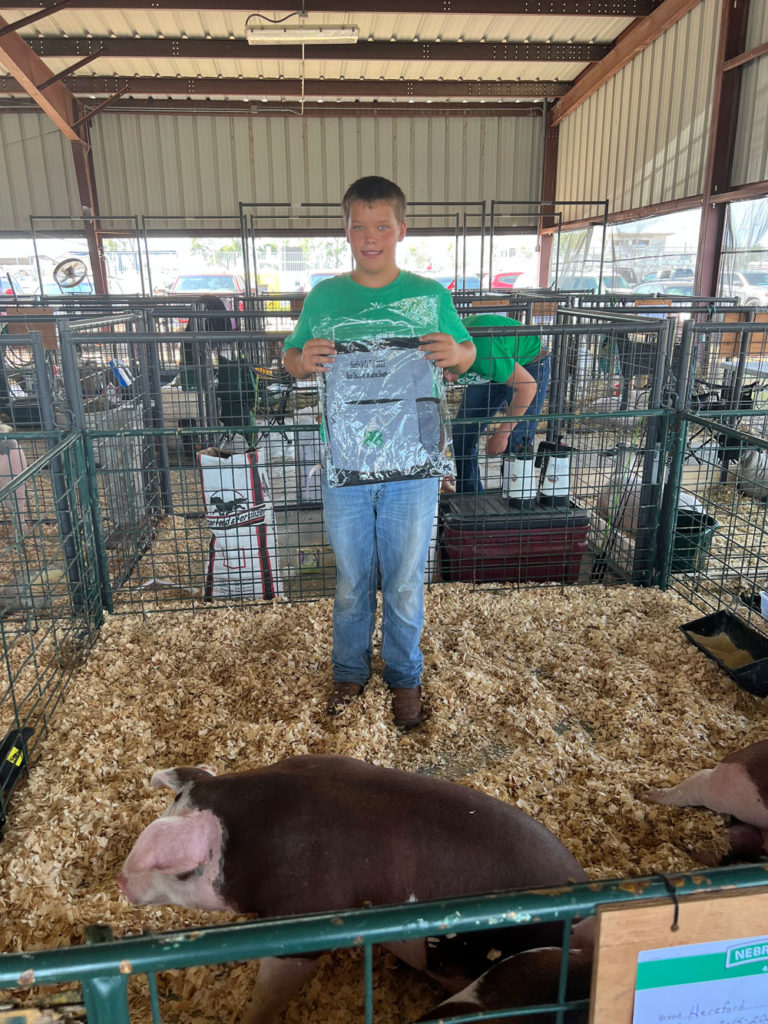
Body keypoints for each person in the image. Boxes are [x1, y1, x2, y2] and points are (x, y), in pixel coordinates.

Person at [282, 175, 475, 728]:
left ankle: (403, 677)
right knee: (350, 580)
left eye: (382, 227)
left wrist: (454, 353)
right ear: (345, 230)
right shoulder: (325, 296)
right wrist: (302, 360)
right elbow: (292, 354)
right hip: (345, 463)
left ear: (400, 230)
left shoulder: (429, 295)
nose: (371, 238)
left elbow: (466, 351)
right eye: (359, 227)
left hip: (412, 464)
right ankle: (348, 672)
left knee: (406, 578)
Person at [450, 312, 551, 493]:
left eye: (450, 371)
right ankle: (468, 498)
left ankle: (515, 501)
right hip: (490, 362)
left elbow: (528, 387)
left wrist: (502, 434)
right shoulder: (435, 360)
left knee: (518, 440)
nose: (449, 379)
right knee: (462, 434)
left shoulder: (482, 353)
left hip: (529, 360)